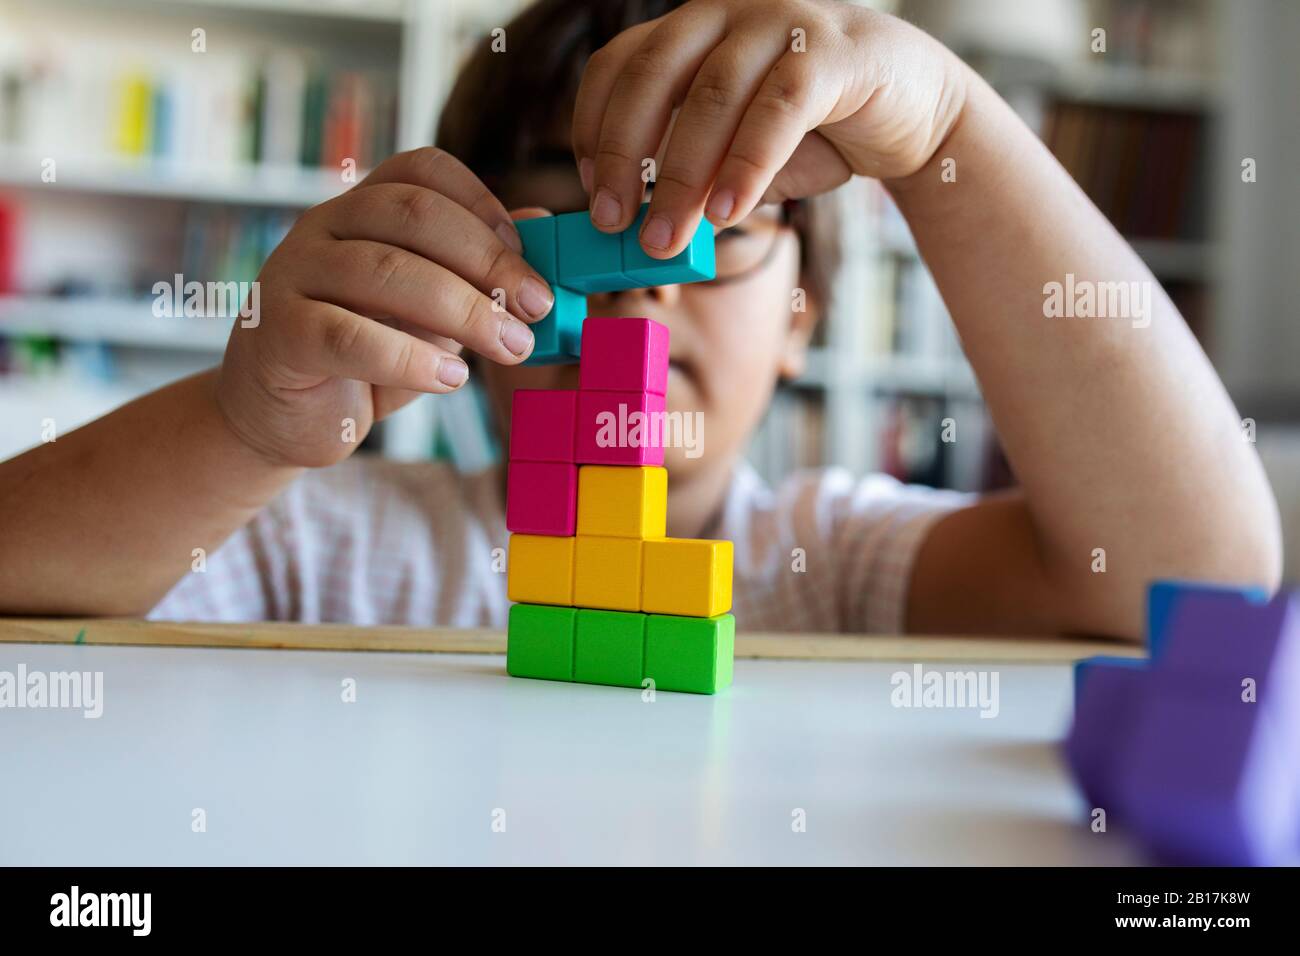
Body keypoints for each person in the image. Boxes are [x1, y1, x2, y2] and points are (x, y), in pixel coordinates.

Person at [0, 0, 1280, 637]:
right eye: (579, 227)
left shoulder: (826, 559)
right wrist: (247, 425)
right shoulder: (320, 544)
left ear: (804, 318)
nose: (644, 285)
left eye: (713, 232)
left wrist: (947, 130)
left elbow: (1195, 585)